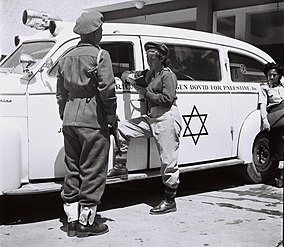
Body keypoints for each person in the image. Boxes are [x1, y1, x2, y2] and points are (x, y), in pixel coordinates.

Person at [56, 10, 117, 237]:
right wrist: (111, 117)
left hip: (70, 118)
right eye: (99, 30)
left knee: (72, 168)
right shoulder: (101, 55)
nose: (101, 33)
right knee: (92, 169)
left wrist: (65, 114)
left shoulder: (66, 55)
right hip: (93, 119)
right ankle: (86, 223)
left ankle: (71, 220)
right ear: (95, 32)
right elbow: (107, 90)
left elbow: (60, 93)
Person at [107, 42, 182, 215]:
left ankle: (170, 200)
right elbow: (131, 75)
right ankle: (120, 166)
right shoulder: (151, 74)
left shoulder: (167, 75)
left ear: (161, 58)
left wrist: (145, 93)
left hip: (166, 117)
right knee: (123, 128)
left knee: (168, 161)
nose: (148, 59)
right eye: (147, 56)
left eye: (152, 57)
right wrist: (126, 76)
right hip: (152, 117)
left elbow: (167, 99)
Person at [259, 62, 284, 187]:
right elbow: (263, 105)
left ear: (279, 75)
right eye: (269, 75)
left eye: (274, 75)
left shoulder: (283, 86)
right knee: (279, 145)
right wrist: (265, 120)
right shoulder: (265, 88)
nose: (271, 77)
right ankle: (280, 175)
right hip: (276, 116)